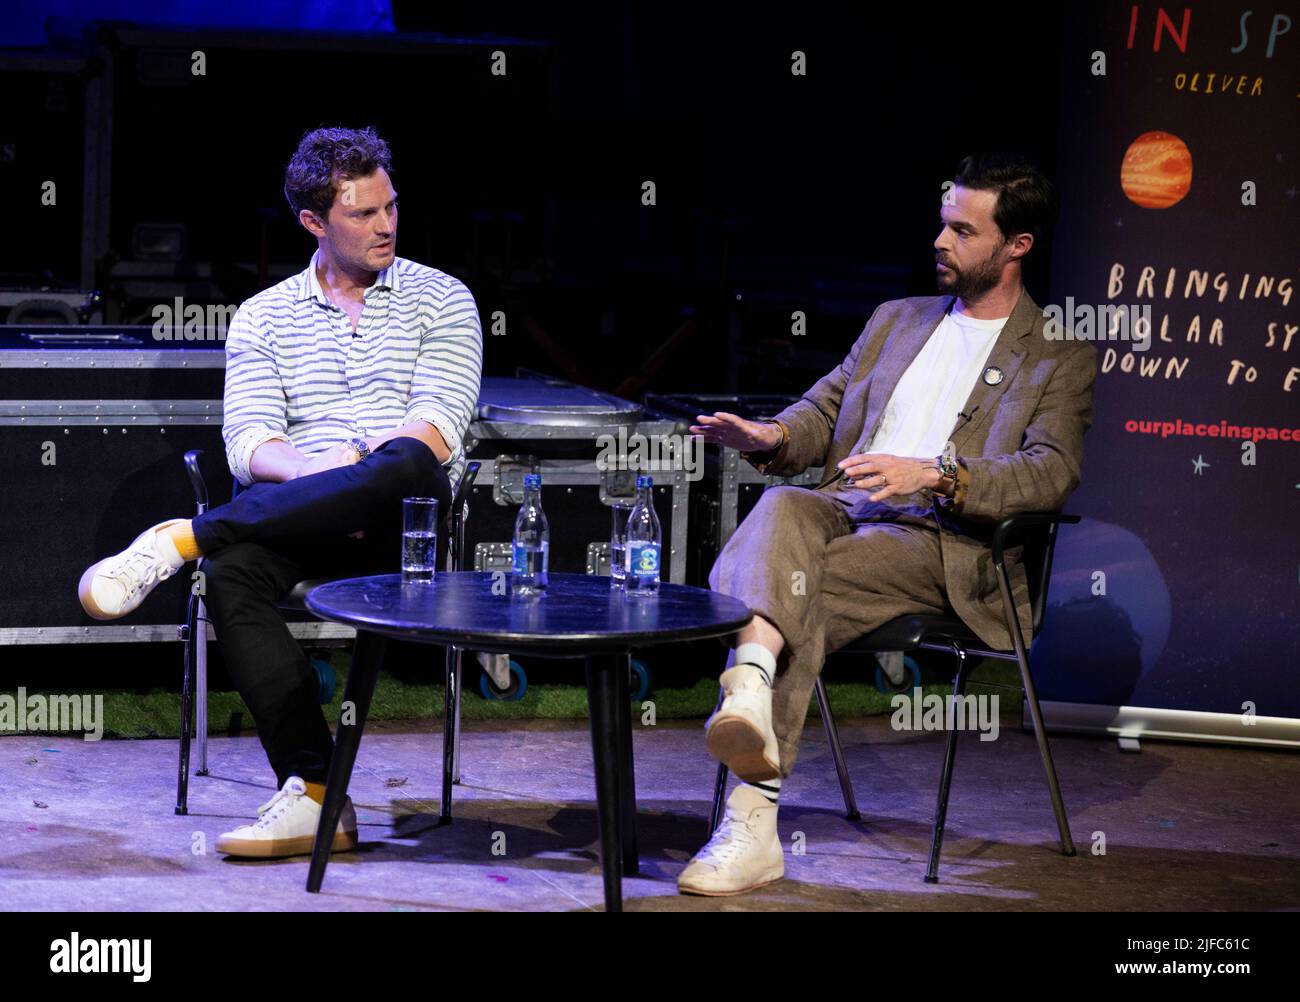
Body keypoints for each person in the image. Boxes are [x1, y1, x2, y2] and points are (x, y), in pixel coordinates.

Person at [680, 153, 1095, 895]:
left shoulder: (1057, 354)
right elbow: (826, 411)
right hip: (844, 509)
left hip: (943, 542)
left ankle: (749, 817)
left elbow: (1048, 473)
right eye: (942, 223)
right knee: (779, 504)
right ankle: (748, 689)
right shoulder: (893, 321)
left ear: (1017, 246)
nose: (941, 242)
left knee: (804, 590)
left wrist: (936, 473)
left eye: (963, 231)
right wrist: (770, 438)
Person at [77, 126, 483, 858]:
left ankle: (185, 536)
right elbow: (251, 443)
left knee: (402, 464)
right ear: (313, 222)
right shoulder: (264, 315)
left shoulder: (443, 299)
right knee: (232, 575)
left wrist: (359, 466)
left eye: (391, 205)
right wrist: (314, 471)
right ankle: (317, 790)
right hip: (302, 516)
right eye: (364, 214)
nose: (386, 224)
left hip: (407, 522)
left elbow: (436, 434)